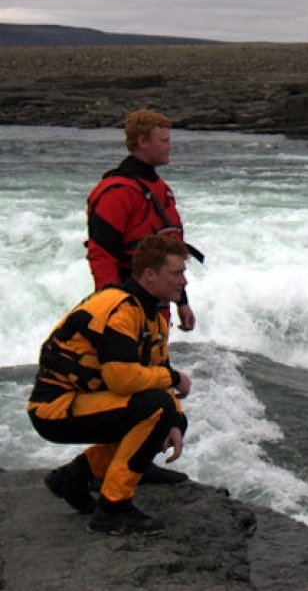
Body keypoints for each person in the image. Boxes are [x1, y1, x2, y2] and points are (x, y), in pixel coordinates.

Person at [28, 236, 193, 535]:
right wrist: (173, 379)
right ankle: (113, 509)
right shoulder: (118, 308)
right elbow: (123, 379)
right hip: (54, 408)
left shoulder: (152, 316)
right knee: (157, 408)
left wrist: (173, 421)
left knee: (171, 416)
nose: (184, 281)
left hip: (89, 399)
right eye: (177, 273)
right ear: (150, 275)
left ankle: (74, 477)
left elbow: (154, 374)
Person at [86, 108, 203, 333]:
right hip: (127, 304)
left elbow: (173, 252)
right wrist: (111, 307)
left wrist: (182, 302)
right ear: (142, 142)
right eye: (163, 141)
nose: (169, 146)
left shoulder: (162, 190)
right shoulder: (116, 192)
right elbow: (101, 254)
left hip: (159, 306)